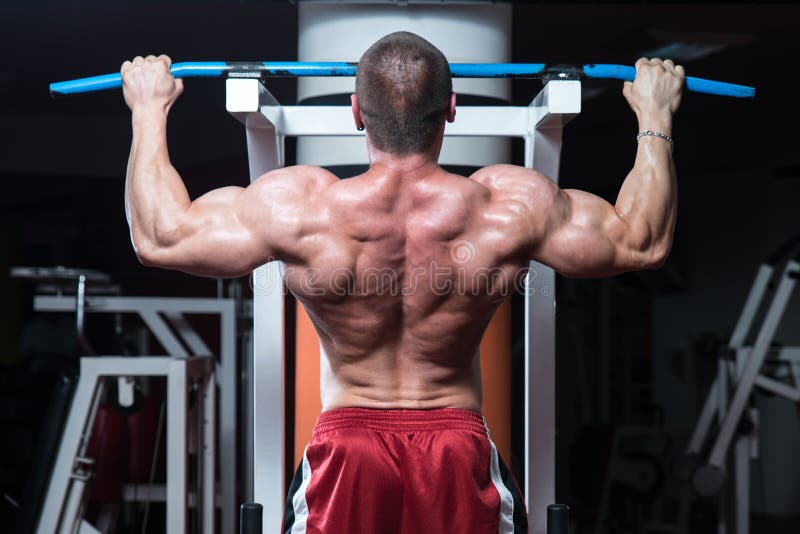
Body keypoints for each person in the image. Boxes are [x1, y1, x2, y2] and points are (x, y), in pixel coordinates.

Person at [120, 31, 683, 534]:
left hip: (347, 452)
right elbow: (643, 240)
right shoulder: (509, 206)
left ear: (356, 112)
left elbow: (159, 237)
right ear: (453, 109)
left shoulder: (300, 208)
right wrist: (655, 117)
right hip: (456, 452)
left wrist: (148, 109)